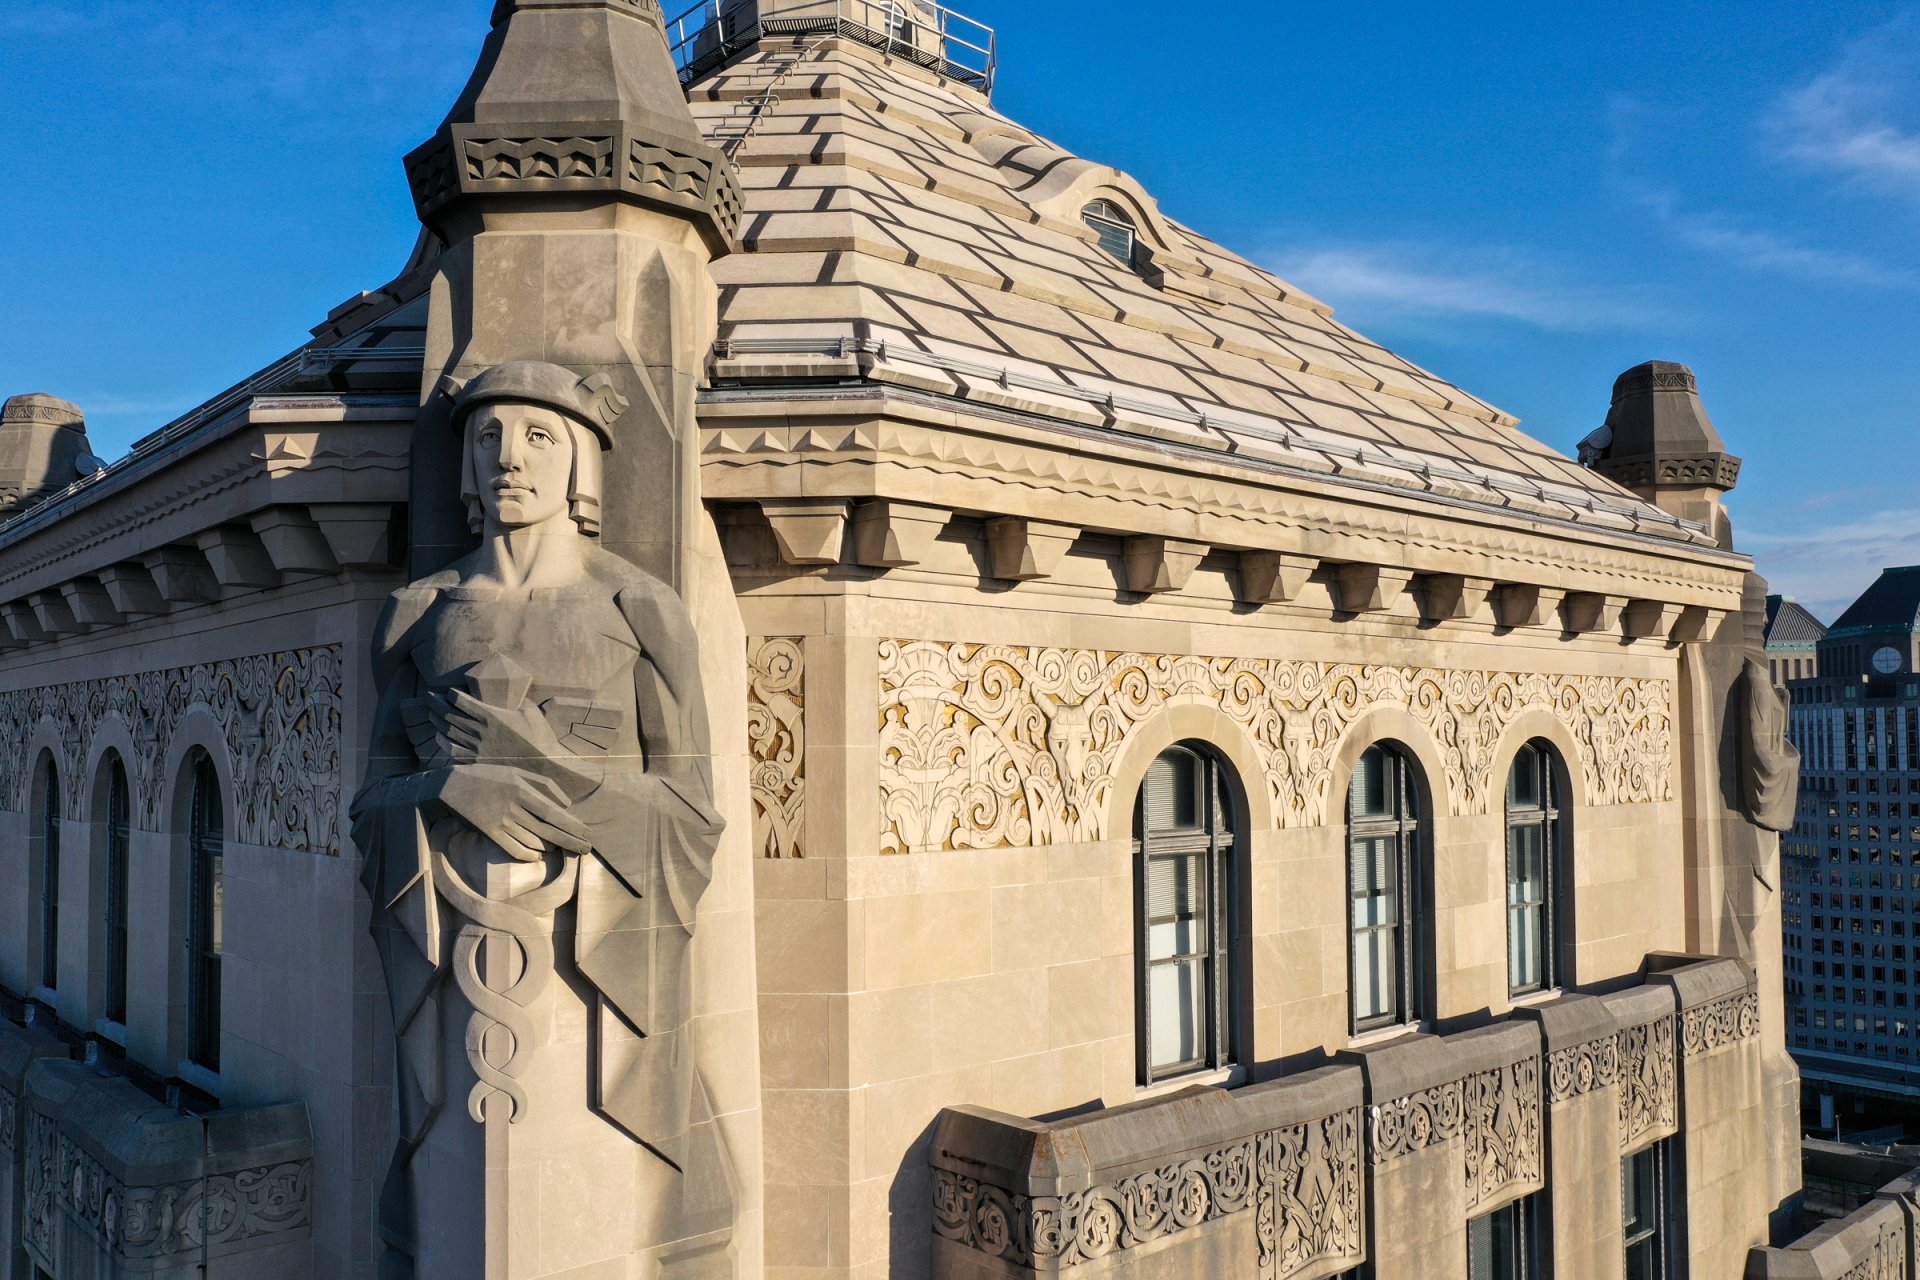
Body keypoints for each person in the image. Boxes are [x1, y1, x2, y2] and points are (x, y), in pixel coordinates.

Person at [350, 361, 725, 1267]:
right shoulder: (418, 614)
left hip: (592, 986)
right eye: (488, 436)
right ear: (466, 466)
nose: (509, 458)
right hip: (452, 970)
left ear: (582, 463)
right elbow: (368, 810)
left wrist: (540, 764)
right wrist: (445, 788)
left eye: (538, 435)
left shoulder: (638, 610)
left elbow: (690, 821)